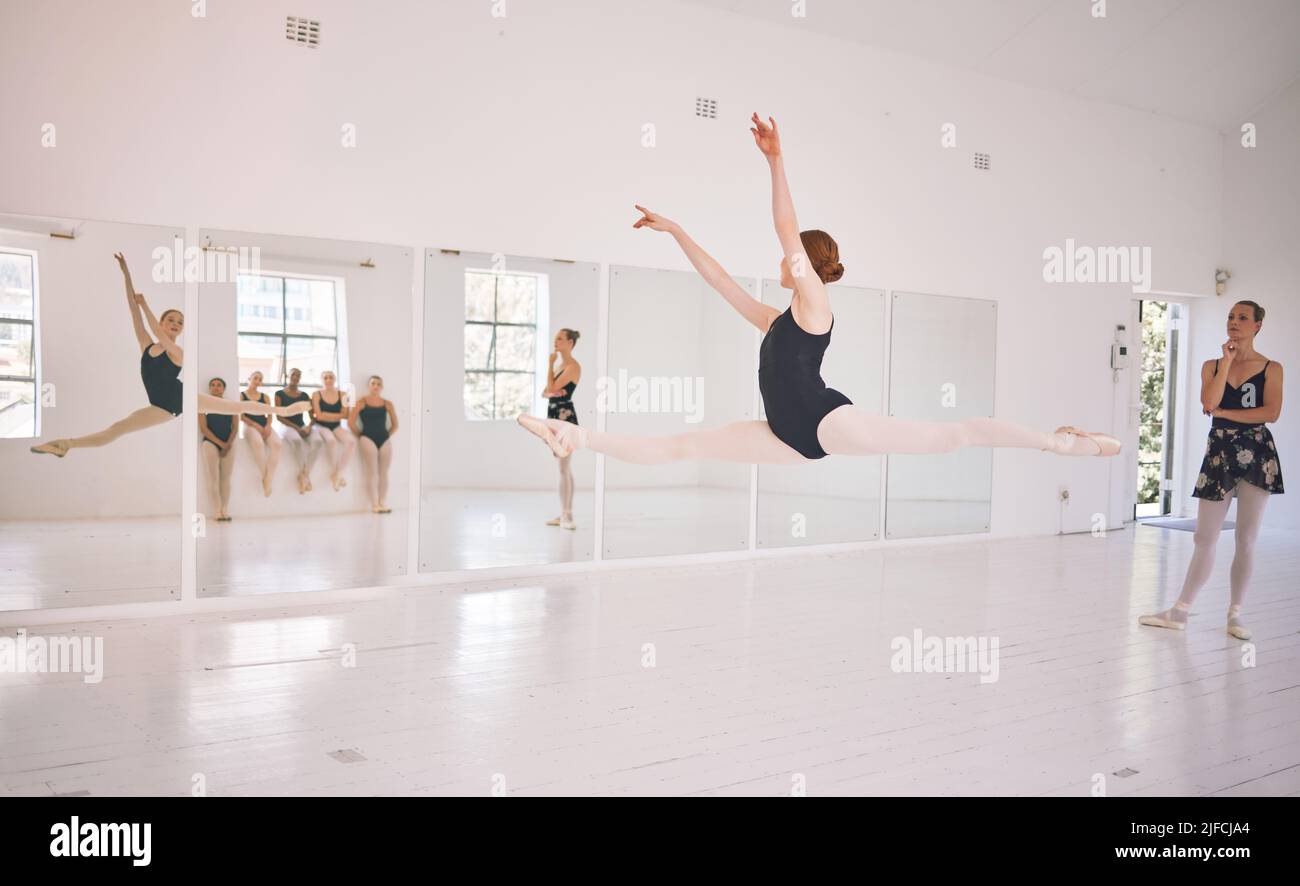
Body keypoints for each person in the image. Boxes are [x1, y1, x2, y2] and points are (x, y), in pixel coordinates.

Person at [518, 113, 1119, 467]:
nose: (782, 261)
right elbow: (720, 280)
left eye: (791, 256)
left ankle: (1061, 442)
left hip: (826, 421)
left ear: (804, 261)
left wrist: (776, 162)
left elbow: (784, 229)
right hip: (785, 434)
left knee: (953, 434)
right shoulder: (778, 319)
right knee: (683, 447)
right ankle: (572, 435)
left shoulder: (813, 306)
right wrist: (675, 229)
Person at [31, 253, 309, 458]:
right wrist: (126, 274)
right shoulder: (146, 346)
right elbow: (133, 311)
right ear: (164, 323)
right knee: (116, 429)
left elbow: (153, 325)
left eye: (180, 322)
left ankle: (282, 410)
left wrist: (147, 304)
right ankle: (66, 444)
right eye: (171, 320)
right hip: (158, 406)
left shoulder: (178, 352)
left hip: (181, 399)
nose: (176, 325)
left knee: (237, 406)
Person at [1140, 301, 1284, 641]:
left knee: (1245, 539)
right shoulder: (1213, 365)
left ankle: (1235, 615)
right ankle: (1180, 611)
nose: (1234, 322)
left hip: (1257, 453)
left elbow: (1271, 412)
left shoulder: (1272, 368)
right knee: (1204, 537)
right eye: (1231, 317)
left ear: (1257, 326)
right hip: (1219, 453)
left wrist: (1226, 414)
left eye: (1242, 318)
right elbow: (1209, 403)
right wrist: (1229, 363)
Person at [541, 328, 582, 530]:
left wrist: (549, 365)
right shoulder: (560, 365)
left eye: (560, 338)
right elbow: (545, 392)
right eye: (555, 338)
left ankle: (568, 516)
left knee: (564, 468)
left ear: (570, 343)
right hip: (555, 416)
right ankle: (565, 513)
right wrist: (553, 389)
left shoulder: (573, 367)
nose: (555, 341)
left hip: (565, 418)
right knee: (564, 468)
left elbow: (549, 389)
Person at [350, 375, 398, 513]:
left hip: (384, 439)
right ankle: (374, 504)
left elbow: (395, 424)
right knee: (372, 472)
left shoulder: (387, 403)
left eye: (378, 384)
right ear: (369, 386)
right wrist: (361, 435)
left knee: (384, 473)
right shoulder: (362, 402)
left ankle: (382, 502)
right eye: (373, 383)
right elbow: (351, 422)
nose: (375, 386)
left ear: (381, 387)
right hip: (367, 438)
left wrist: (387, 435)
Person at [276, 367, 323, 494]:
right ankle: (305, 476)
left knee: (318, 441)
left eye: (298, 376)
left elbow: (312, 416)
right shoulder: (279, 394)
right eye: (293, 375)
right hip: (286, 426)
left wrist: (308, 427)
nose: (295, 377)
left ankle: (304, 474)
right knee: (297, 441)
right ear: (288, 376)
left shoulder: (304, 395)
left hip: (302, 425)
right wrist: (296, 429)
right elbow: (279, 416)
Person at [199, 377, 237, 521]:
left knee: (226, 479)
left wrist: (228, 444)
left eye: (219, 385)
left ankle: (225, 510)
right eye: (213, 385)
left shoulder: (231, 405)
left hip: (229, 444)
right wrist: (221, 444)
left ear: (223, 388)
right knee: (213, 478)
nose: (215, 387)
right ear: (209, 388)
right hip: (210, 443)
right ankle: (217, 511)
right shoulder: (203, 404)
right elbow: (203, 428)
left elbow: (235, 427)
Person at [310, 370, 355, 491]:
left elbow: (346, 415)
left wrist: (326, 414)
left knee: (351, 442)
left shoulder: (344, 394)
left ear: (335, 379)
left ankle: (338, 473)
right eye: (325, 378)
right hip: (321, 426)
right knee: (331, 441)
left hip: (336, 426)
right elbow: (318, 416)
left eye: (331, 377)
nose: (328, 380)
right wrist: (336, 414)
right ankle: (336, 474)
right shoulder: (316, 394)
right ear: (322, 380)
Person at [241, 371, 282, 496]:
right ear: (249, 378)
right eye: (255, 378)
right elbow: (240, 415)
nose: (257, 381)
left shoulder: (265, 397)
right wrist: (254, 425)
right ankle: (266, 478)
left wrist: (268, 426)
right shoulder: (242, 395)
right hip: (249, 425)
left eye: (260, 379)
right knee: (258, 443)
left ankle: (267, 479)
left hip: (264, 425)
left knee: (277, 444)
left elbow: (270, 414)